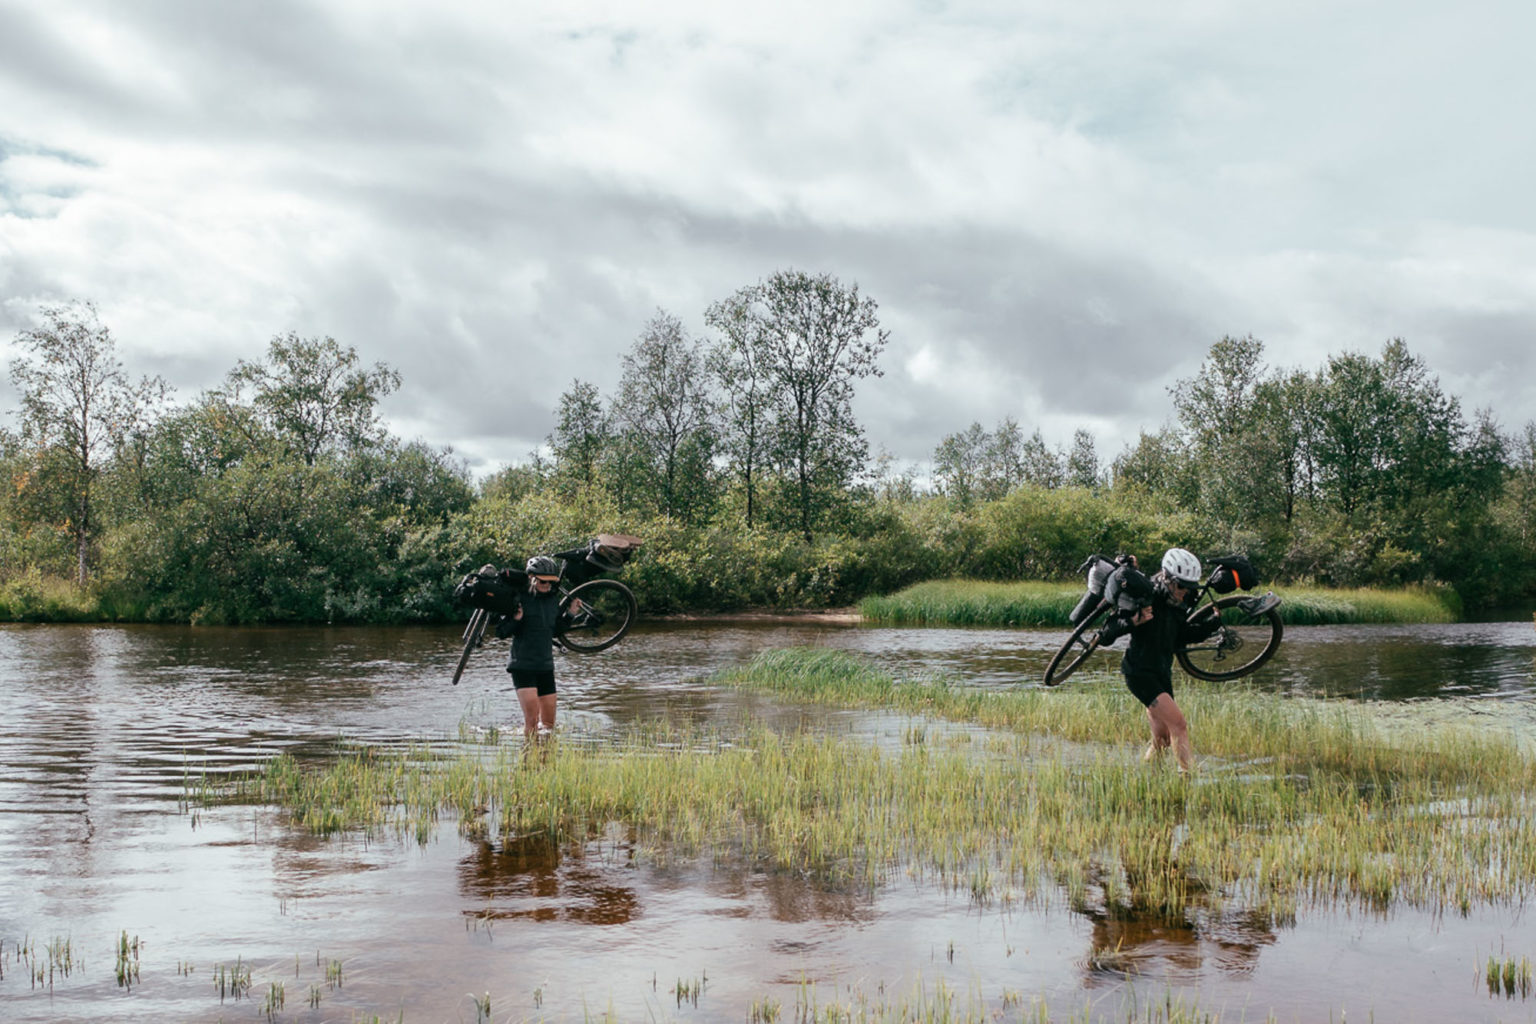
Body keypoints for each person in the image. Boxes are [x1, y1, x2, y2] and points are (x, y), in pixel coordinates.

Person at [1111, 547, 1217, 774]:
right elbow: (1107, 633)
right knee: (1179, 724)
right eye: (1181, 586)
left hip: (1161, 672)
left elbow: (1181, 636)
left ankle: (1146, 776)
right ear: (1168, 579)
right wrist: (1134, 622)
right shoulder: (1145, 596)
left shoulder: (1179, 603)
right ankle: (1189, 777)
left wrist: (1212, 625)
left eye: (1189, 587)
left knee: (1162, 740)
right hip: (1139, 672)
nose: (1185, 592)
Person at [502, 555, 568, 741]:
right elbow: (501, 632)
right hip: (523, 666)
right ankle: (528, 755)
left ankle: (545, 755)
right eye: (543, 582)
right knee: (532, 721)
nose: (547, 585)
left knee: (548, 725)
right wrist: (516, 619)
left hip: (545, 666)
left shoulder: (552, 600)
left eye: (550, 582)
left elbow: (556, 630)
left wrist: (571, 614)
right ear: (532, 578)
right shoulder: (519, 599)